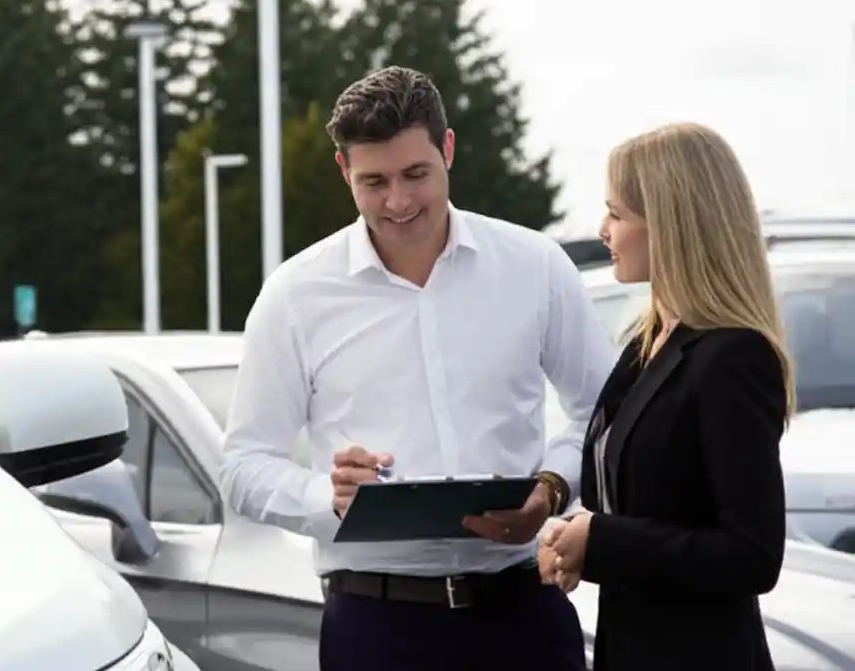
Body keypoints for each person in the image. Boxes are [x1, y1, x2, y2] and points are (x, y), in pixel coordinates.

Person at [218, 65, 617, 670]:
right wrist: (325, 496)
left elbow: (600, 411)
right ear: (343, 172)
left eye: (415, 174)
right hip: (377, 630)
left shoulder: (536, 266)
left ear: (448, 150)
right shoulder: (295, 296)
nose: (398, 201)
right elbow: (244, 465)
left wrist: (551, 489)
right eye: (374, 181)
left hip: (524, 617)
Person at [541, 122, 794, 670]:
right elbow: (638, 502)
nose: (603, 228)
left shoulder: (732, 357)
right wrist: (573, 537)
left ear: (671, 224)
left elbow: (751, 555)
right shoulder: (646, 344)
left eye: (618, 212)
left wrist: (601, 541)